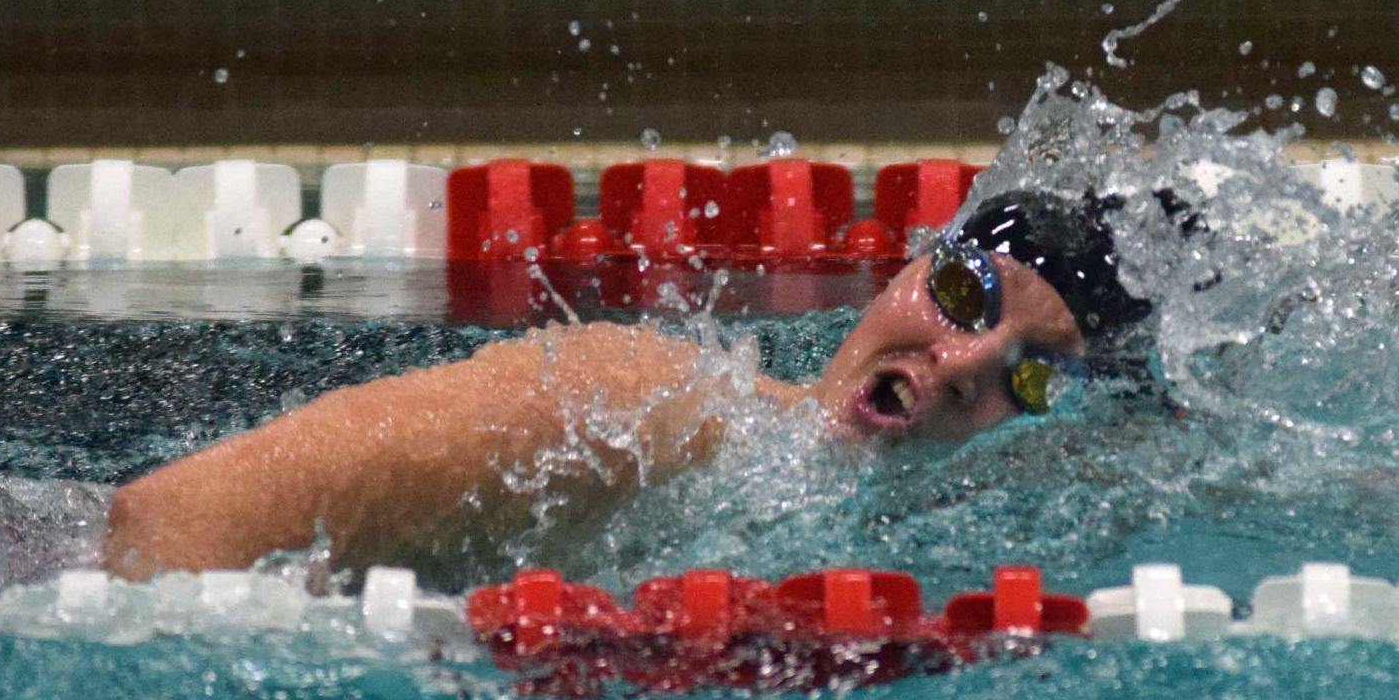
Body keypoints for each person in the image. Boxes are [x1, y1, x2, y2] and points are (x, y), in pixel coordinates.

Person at [101, 190, 1158, 580]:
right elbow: (169, 516)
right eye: (965, 297)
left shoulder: (916, 518)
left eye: (1025, 371)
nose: (964, 363)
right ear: (902, 267)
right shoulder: (648, 402)